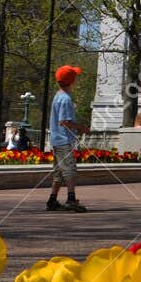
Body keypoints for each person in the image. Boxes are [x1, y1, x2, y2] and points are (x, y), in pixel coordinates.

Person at [45, 65, 88, 212]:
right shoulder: (65, 99)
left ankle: (52, 200)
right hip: (63, 140)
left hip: (57, 140)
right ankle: (71, 199)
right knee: (70, 171)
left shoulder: (58, 95)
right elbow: (64, 122)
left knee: (59, 172)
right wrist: (81, 127)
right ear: (72, 81)